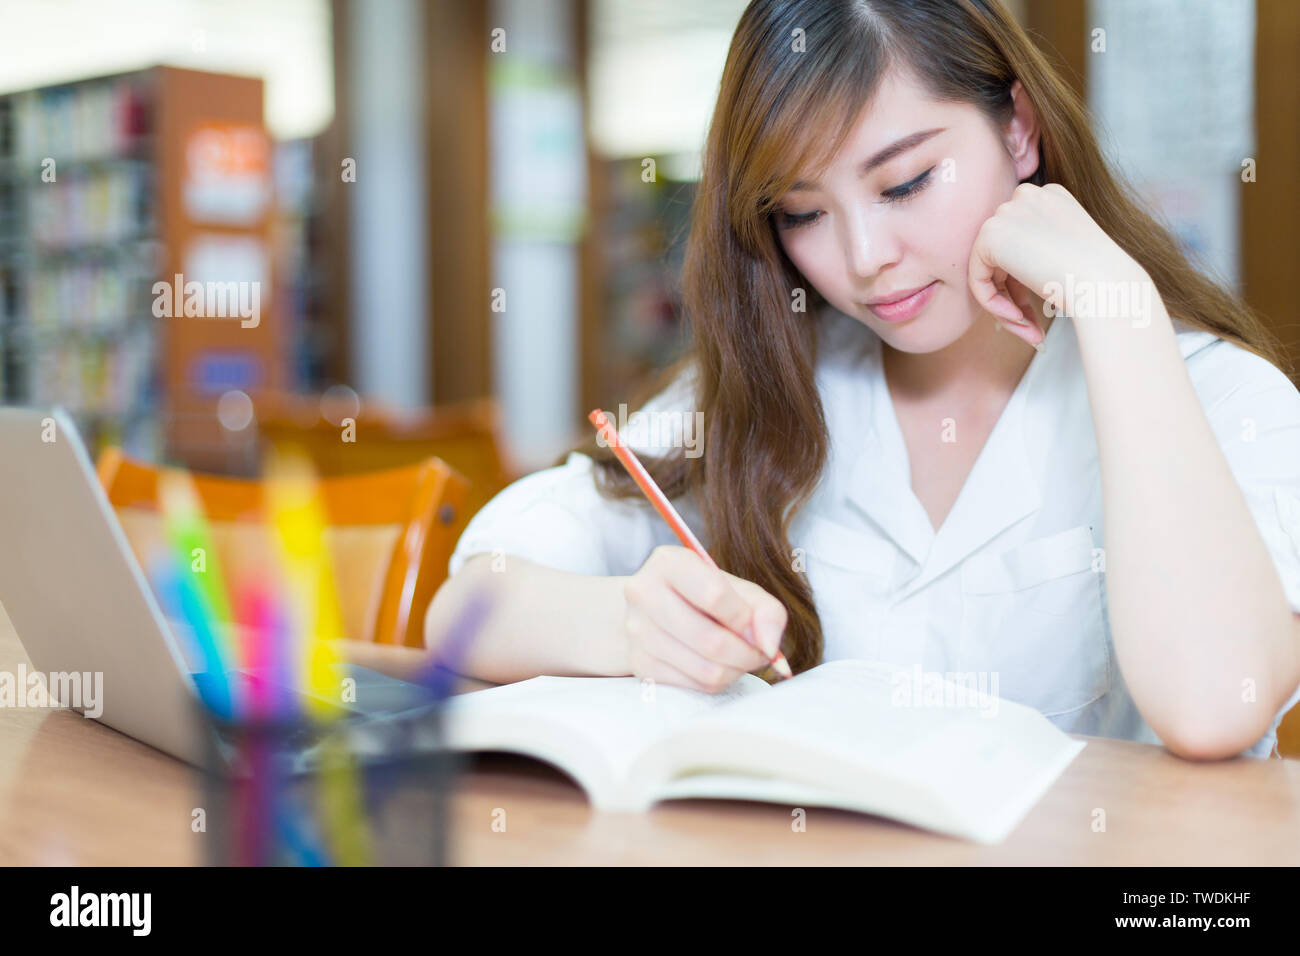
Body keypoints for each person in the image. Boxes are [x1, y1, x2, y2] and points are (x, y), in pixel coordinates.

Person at [427, 0, 1300, 760]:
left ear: (1018, 129)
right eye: (804, 212)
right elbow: (470, 599)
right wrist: (629, 623)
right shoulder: (775, 385)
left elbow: (1216, 704)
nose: (864, 260)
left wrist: (1118, 306)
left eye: (907, 182)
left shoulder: (1225, 400)